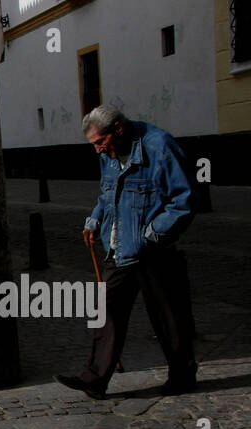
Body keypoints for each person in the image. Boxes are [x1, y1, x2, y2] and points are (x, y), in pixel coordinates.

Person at [56, 105, 197, 400]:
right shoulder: (109, 154)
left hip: (153, 250)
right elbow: (107, 194)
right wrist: (95, 219)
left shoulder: (159, 146)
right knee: (105, 309)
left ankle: (182, 375)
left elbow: (184, 200)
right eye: (93, 144)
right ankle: (94, 378)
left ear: (118, 129)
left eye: (99, 142)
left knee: (168, 316)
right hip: (118, 248)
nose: (97, 151)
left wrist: (152, 234)